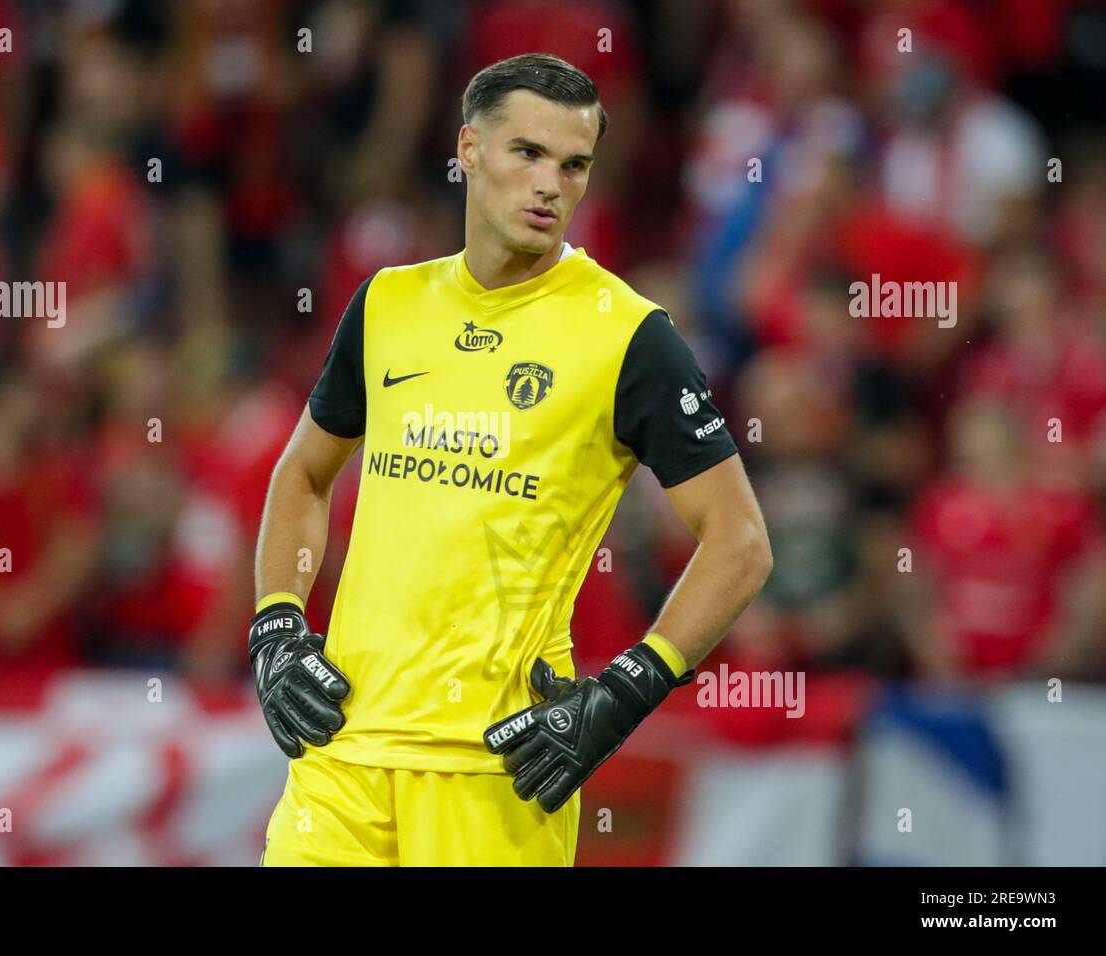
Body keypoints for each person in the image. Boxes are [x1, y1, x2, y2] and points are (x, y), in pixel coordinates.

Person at [251, 53, 772, 866]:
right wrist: (279, 624)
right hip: (341, 754)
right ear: (467, 150)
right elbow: (304, 473)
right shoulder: (387, 303)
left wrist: (626, 692)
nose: (550, 186)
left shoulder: (630, 336)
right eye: (527, 153)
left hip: (497, 770)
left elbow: (739, 541)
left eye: (574, 165)